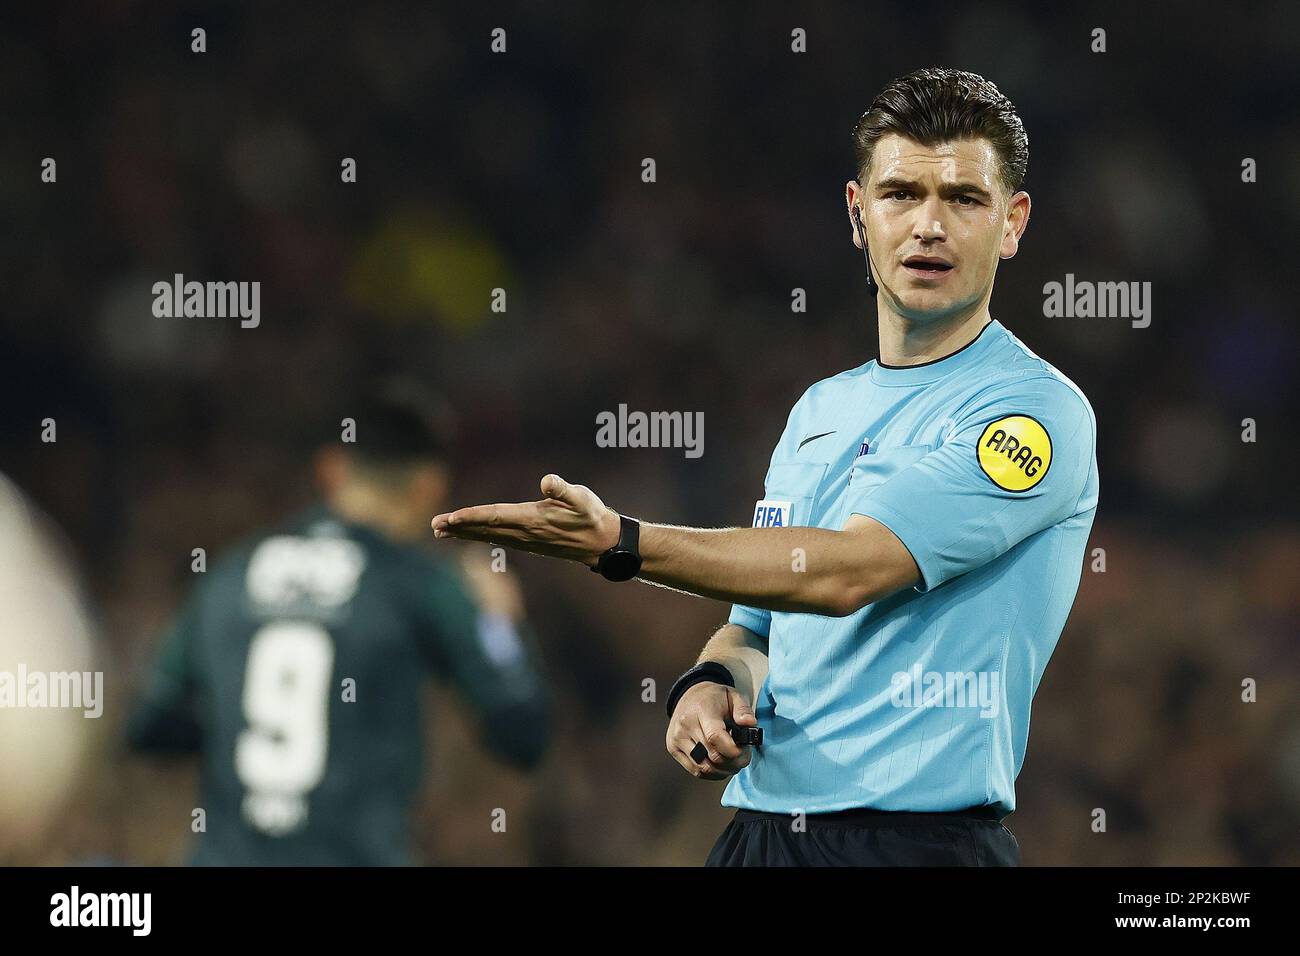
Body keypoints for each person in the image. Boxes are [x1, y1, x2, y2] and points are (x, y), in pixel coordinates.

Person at [430, 68, 1098, 867]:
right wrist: (713, 683)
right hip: (762, 835)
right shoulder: (819, 411)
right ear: (859, 213)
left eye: (963, 198)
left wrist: (622, 543)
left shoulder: (1032, 413)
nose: (928, 226)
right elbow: (760, 623)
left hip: (919, 844)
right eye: (900, 194)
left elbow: (844, 572)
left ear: (1013, 222)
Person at [127, 382, 551, 865]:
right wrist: (498, 626)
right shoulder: (426, 584)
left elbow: (150, 725)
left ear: (331, 470)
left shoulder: (230, 573)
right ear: (429, 486)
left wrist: (242, 720)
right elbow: (523, 732)